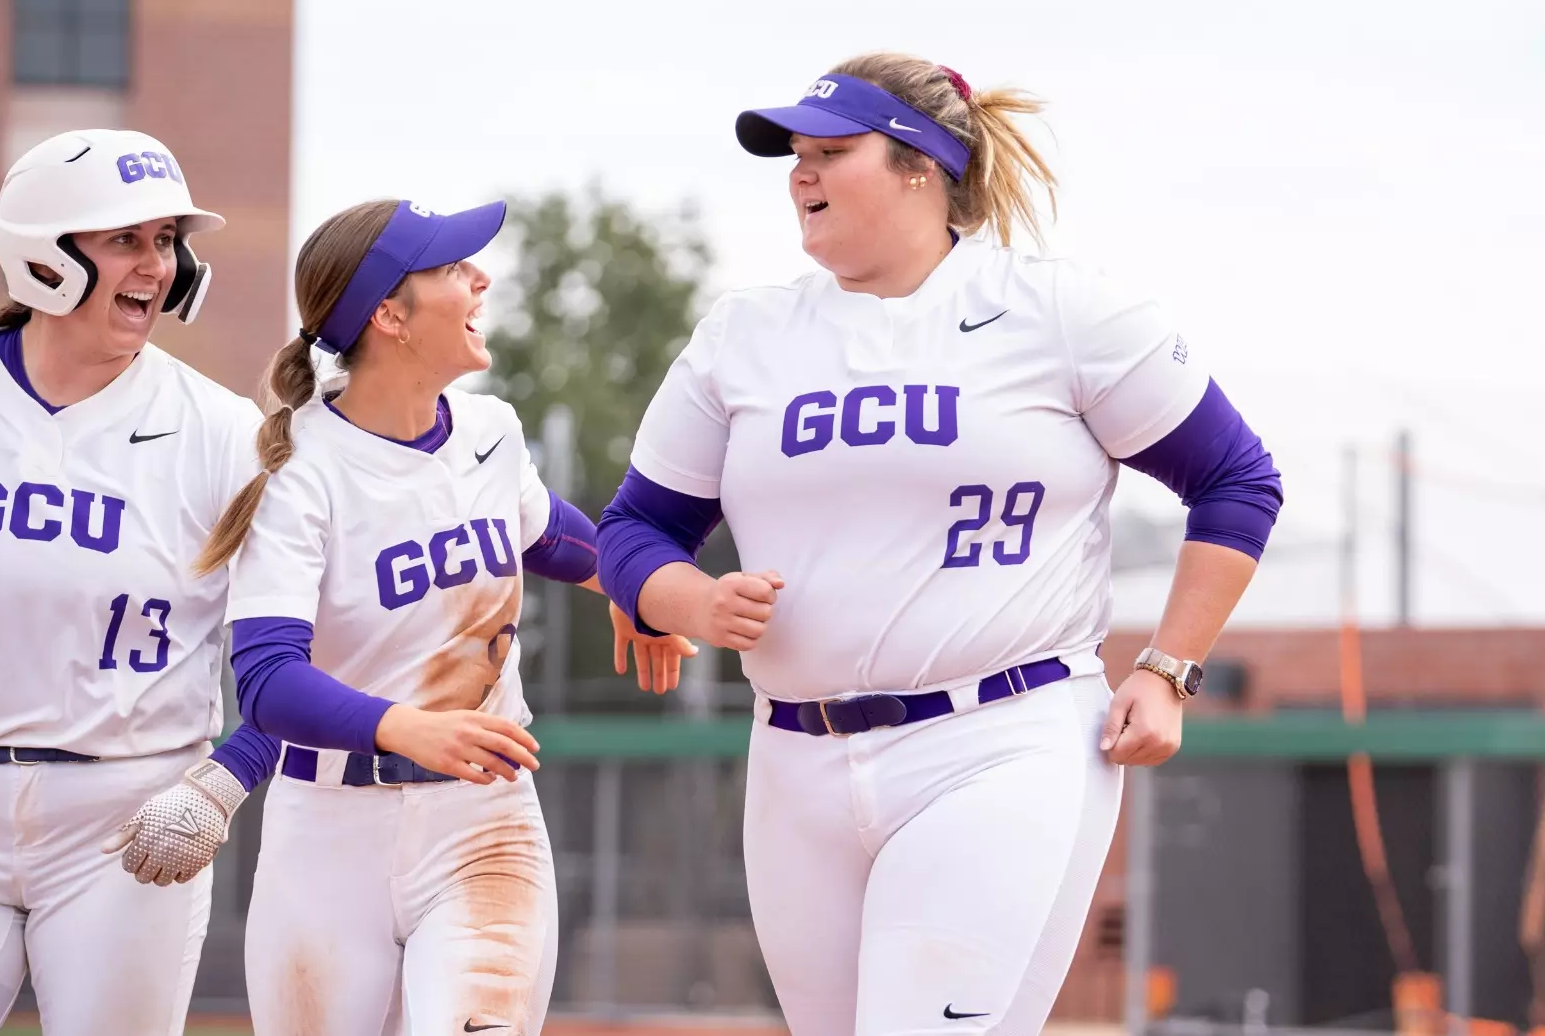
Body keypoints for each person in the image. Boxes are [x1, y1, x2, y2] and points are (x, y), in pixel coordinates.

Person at [596, 53, 1284, 1036]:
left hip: (997, 737)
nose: (801, 174)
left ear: (921, 164)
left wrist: (1168, 670)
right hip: (796, 757)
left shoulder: (1057, 311)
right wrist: (687, 602)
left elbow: (1234, 479)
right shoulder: (746, 333)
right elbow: (637, 530)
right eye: (795, 154)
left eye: (832, 151)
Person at [199, 197, 697, 1035]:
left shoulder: (488, 428)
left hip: (483, 822)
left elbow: (546, 535)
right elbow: (267, 679)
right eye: (453, 268)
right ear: (389, 315)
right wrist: (408, 728)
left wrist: (629, 585)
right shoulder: (299, 466)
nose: (481, 278)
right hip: (325, 833)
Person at [0, 129, 283, 1035]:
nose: (155, 266)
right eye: (126, 239)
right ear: (44, 256)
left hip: (128, 825)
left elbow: (309, 639)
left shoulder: (219, 430)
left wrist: (225, 779)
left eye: (166, 240)